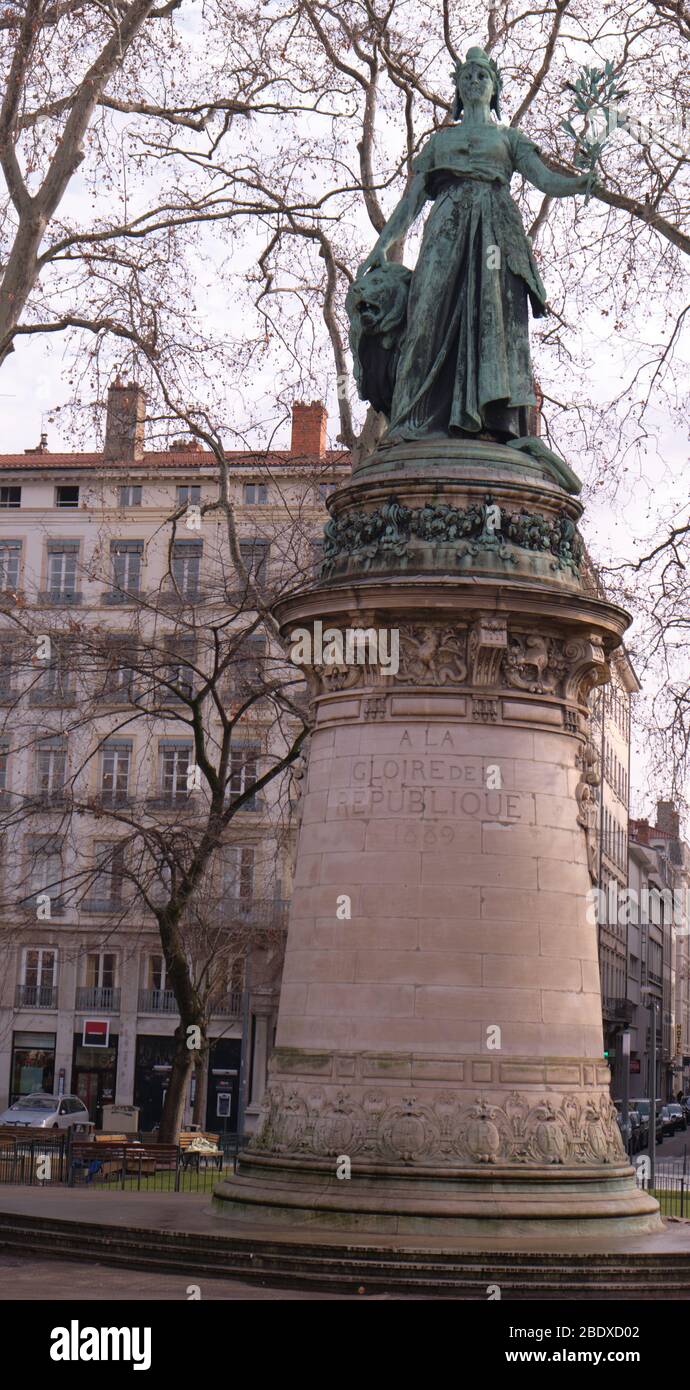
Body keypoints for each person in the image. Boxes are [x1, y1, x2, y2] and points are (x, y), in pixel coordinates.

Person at [353, 47, 590, 441]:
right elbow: (411, 201)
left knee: (492, 314)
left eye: (482, 76)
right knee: (426, 308)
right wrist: (383, 244)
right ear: (459, 90)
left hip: (494, 230)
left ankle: (490, 419)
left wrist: (580, 183)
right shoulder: (439, 144)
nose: (474, 82)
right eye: (467, 77)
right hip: (446, 223)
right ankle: (411, 420)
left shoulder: (510, 139)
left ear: (494, 88)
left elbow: (545, 179)